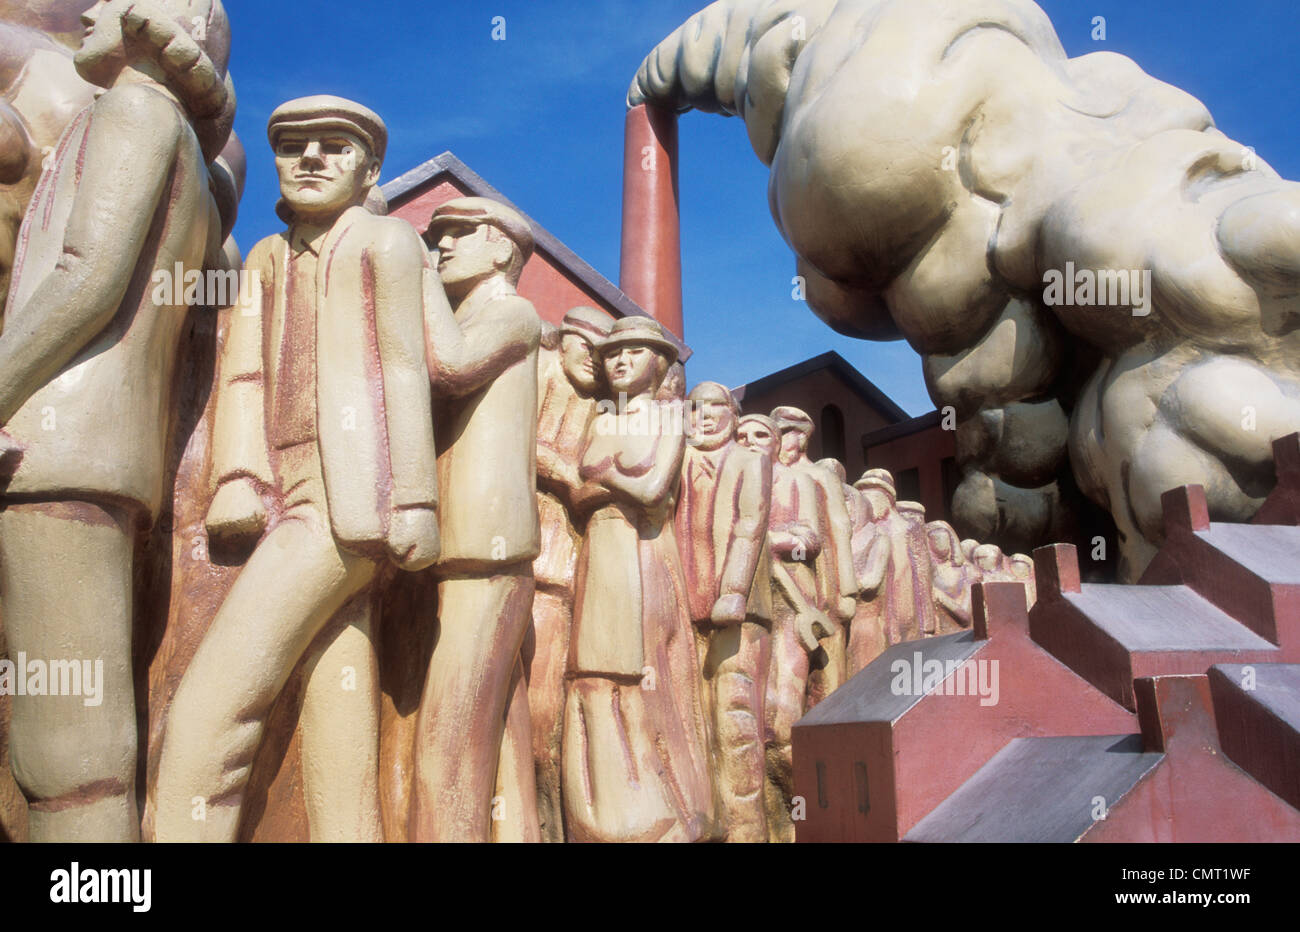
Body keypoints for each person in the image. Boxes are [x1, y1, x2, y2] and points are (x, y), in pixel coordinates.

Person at [155, 95, 438, 842]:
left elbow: (404, 368)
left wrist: (415, 500)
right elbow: (243, 371)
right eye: (293, 145)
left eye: (334, 146)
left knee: (211, 708)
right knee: (337, 709)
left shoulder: (387, 242)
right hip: (285, 484)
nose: (310, 157)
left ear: (369, 167)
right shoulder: (268, 257)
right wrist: (238, 479)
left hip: (346, 500)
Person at [0, 0, 231, 842]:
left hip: (57, 442)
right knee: (80, 728)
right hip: (102, 450)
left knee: (67, 749)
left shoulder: (133, 112)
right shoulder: (191, 160)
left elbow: (85, 274)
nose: (90, 9)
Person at [410, 196, 542, 843]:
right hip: (463, 556)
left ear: (500, 247)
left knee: (448, 750)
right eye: (434, 239)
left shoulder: (513, 314)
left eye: (457, 234)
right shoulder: (466, 317)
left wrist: (412, 272)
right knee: (503, 744)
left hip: (485, 555)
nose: (439, 247)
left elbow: (450, 366)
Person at [562, 316, 716, 843]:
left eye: (633, 351)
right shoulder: (601, 422)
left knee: (641, 672)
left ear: (658, 362)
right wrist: (610, 486)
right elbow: (581, 499)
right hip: (600, 552)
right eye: (612, 353)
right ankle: (604, 812)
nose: (620, 360)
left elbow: (653, 490)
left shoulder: (670, 417)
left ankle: (660, 806)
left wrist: (604, 481)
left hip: (643, 552)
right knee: (593, 673)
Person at [525, 305, 611, 842]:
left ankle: (548, 825)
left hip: (557, 572)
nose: (596, 364)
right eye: (589, 349)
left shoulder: (602, 409)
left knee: (541, 718)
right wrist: (567, 472)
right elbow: (510, 433)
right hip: (512, 553)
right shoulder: (537, 371)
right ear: (565, 340)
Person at [676, 381, 772, 842]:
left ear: (732, 415)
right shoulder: (676, 461)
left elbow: (750, 524)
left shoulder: (750, 462)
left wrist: (732, 590)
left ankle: (746, 832)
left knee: (735, 718)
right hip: (681, 605)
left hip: (735, 609)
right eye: (696, 408)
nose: (705, 415)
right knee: (690, 720)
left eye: (716, 406)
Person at [735, 412, 829, 843]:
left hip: (790, 604)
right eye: (742, 435)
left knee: (780, 720)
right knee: (747, 722)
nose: (750, 441)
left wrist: (762, 537)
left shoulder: (795, 482)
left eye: (760, 435)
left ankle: (807, 814)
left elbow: (810, 538)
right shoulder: (732, 478)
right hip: (744, 609)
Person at [771, 407, 854, 706]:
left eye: (783, 434)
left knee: (828, 658)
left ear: (802, 437)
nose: (778, 443)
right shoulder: (771, 475)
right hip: (791, 580)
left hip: (826, 576)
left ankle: (832, 724)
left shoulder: (820, 475)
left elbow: (841, 529)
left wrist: (847, 590)